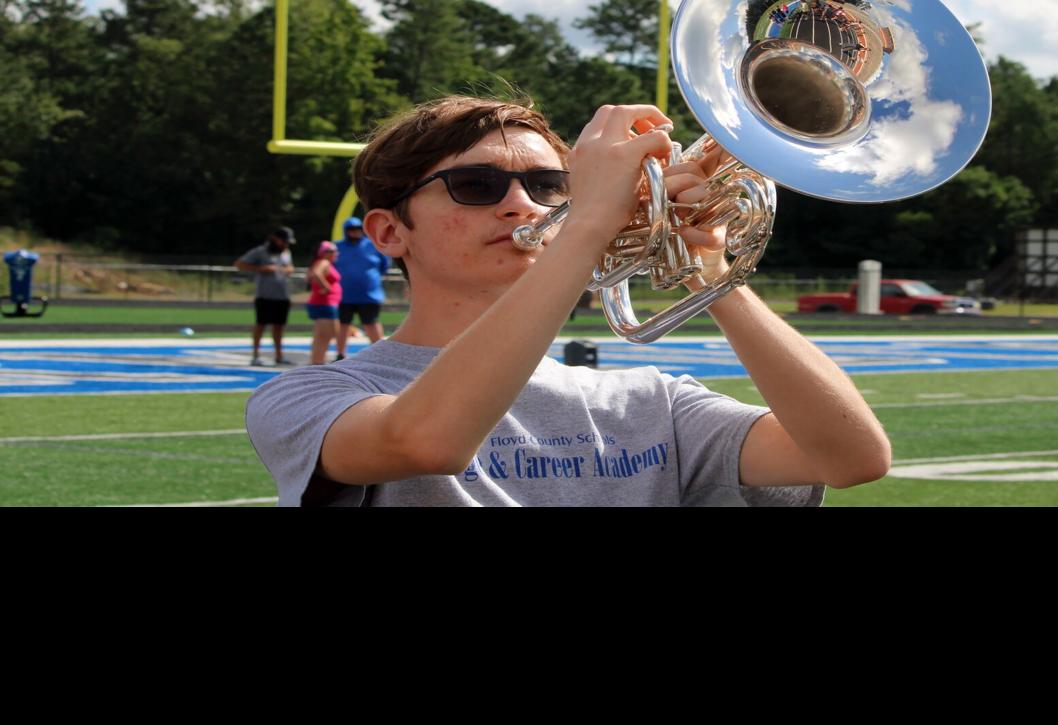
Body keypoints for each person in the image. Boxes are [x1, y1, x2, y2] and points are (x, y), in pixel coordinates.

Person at [245, 95, 890, 506]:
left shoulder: (654, 403)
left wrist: (712, 274)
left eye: (549, 184)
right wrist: (584, 228)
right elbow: (425, 441)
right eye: (476, 184)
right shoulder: (307, 398)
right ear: (390, 232)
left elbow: (852, 457)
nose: (521, 203)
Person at [333, 216, 392, 360]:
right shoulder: (337, 247)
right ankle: (340, 354)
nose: (355, 232)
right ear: (346, 231)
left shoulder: (372, 245)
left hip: (369, 294)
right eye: (351, 229)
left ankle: (380, 355)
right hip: (344, 295)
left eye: (358, 229)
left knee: (371, 323)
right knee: (343, 324)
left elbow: (384, 265)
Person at [235, 226, 296, 366]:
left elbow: (290, 267)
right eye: (283, 241)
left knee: (279, 326)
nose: (285, 244)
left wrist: (289, 269)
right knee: (261, 325)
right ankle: (256, 355)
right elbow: (239, 264)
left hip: (282, 295)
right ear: (275, 239)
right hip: (265, 295)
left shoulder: (286, 252)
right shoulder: (260, 251)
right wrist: (260, 269)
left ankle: (279, 355)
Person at [305, 240, 343, 366]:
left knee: (323, 335)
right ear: (323, 253)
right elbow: (316, 274)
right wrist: (326, 287)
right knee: (324, 335)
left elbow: (310, 275)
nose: (335, 253)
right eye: (332, 251)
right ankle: (317, 362)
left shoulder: (322, 263)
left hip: (326, 304)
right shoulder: (324, 262)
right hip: (324, 303)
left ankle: (317, 360)